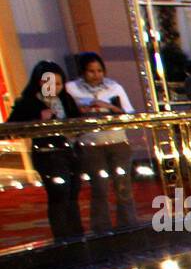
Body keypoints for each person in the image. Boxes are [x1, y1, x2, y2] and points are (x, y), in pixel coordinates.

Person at [6, 61, 83, 242]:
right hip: (48, 153)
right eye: (50, 83)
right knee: (59, 194)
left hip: (71, 151)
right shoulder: (28, 102)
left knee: (73, 194)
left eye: (58, 83)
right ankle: (62, 238)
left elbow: (77, 121)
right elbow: (12, 128)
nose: (55, 88)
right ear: (40, 82)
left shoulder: (65, 99)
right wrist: (37, 119)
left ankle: (77, 235)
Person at [65, 52, 138, 234]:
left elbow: (129, 113)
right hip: (91, 144)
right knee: (100, 186)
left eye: (99, 70)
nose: (96, 75)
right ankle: (101, 228)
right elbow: (62, 113)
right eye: (91, 71)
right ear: (83, 72)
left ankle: (128, 225)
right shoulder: (72, 89)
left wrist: (111, 108)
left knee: (123, 184)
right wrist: (83, 109)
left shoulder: (114, 87)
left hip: (117, 140)